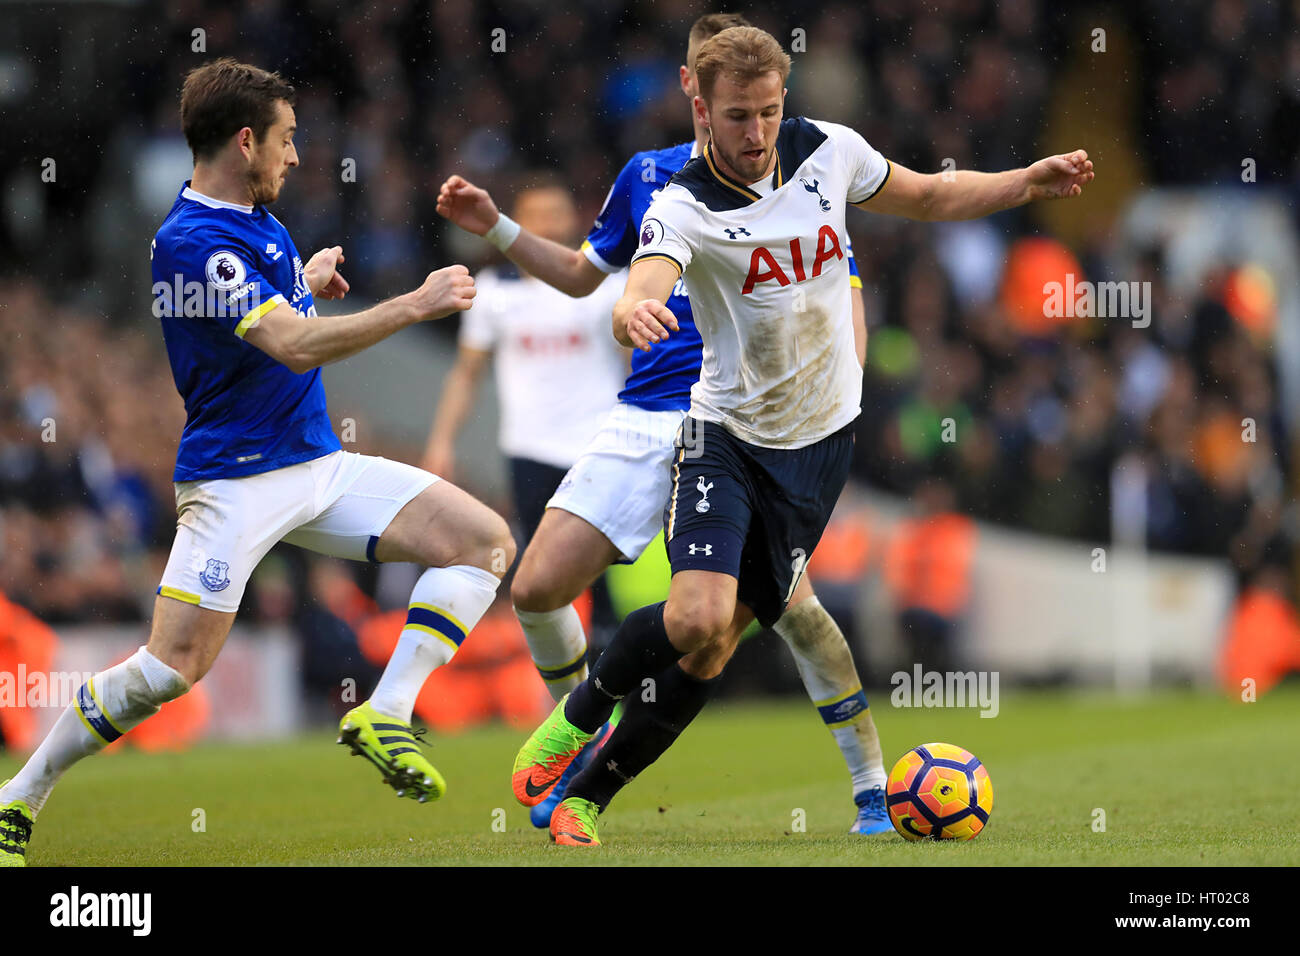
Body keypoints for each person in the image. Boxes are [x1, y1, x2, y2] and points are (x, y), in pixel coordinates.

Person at [513, 24, 1094, 846]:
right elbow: (643, 276)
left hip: (818, 452)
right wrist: (628, 307)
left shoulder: (828, 150)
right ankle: (571, 728)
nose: (755, 136)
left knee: (714, 650)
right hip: (725, 434)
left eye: (767, 112)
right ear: (701, 109)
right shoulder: (682, 203)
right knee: (692, 618)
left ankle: (584, 802)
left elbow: (928, 195)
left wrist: (1025, 184)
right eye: (737, 116)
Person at [0, 58, 514, 867]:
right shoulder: (193, 239)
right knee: (171, 670)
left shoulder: (258, 225)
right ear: (246, 141)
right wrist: (414, 302)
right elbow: (291, 343)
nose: (298, 156)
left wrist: (303, 284)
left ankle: (385, 711)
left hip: (317, 464)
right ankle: (18, 796)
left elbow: (277, 324)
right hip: (235, 479)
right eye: (287, 139)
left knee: (483, 540)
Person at [437, 13, 893, 835]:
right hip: (649, 416)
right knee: (538, 587)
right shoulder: (650, 178)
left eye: (762, 104)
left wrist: (830, 425)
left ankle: (867, 786)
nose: (744, 116)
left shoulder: (802, 182)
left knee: (752, 625)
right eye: (707, 82)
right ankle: (579, 729)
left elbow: (844, 307)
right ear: (693, 87)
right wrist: (502, 231)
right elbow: (585, 278)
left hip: (751, 428)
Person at [422, 174, 628, 545]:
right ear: (513, 222)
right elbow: (467, 374)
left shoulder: (610, 285)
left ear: (576, 218)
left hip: (601, 444)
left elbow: (637, 364)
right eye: (537, 215)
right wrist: (441, 444)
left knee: (602, 569)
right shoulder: (492, 290)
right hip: (528, 448)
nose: (548, 224)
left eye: (556, 213)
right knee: (537, 564)